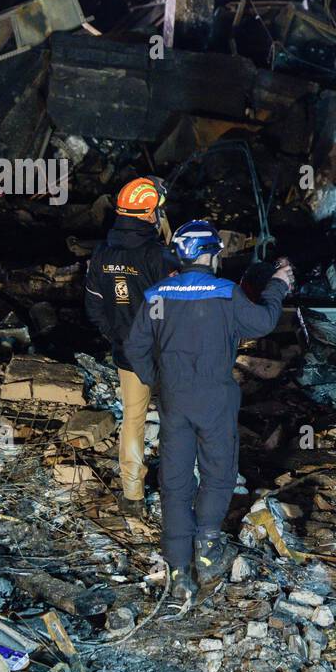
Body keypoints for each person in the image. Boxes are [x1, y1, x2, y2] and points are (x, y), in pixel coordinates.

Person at [124, 220, 294, 615]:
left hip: (175, 400)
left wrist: (157, 380)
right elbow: (263, 321)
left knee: (176, 479)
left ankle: (179, 569)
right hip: (215, 398)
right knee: (218, 472)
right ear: (208, 254)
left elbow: (135, 347)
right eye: (216, 252)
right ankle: (206, 542)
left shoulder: (157, 295)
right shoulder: (224, 293)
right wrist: (278, 285)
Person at [83, 177, 175, 517]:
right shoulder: (159, 257)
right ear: (150, 214)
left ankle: (132, 494)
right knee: (176, 419)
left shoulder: (102, 253)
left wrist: (117, 336)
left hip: (127, 354)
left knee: (133, 419)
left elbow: (93, 306)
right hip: (164, 355)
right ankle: (176, 485)